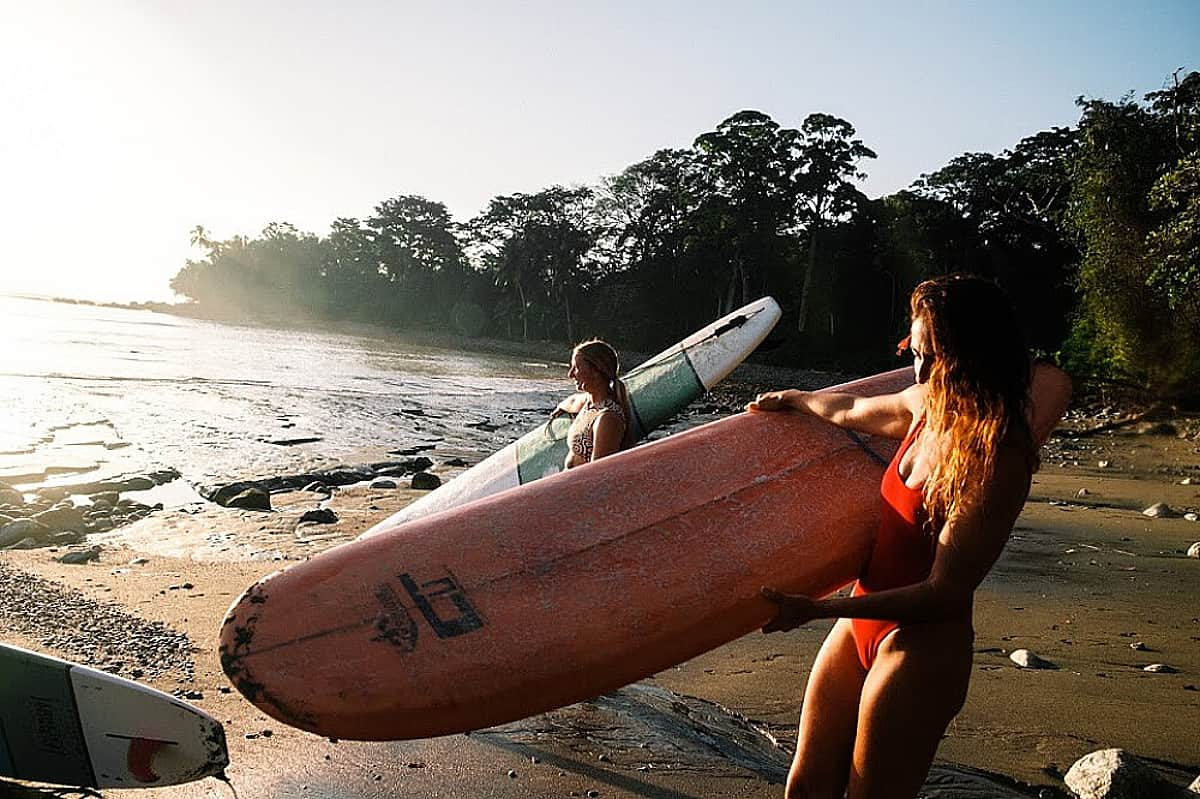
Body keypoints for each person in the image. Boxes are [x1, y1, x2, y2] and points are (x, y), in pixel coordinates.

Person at [746, 274, 1068, 799]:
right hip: (860, 624)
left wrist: (818, 609)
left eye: (935, 356)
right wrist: (798, 400)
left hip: (921, 646)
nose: (921, 369)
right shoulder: (926, 406)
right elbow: (851, 410)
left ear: (974, 354)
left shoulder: (999, 456)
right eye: (915, 352)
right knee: (804, 788)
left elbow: (945, 590)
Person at [551, 339, 636, 469]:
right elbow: (572, 401)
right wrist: (559, 408)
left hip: (581, 487)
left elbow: (596, 474)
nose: (570, 374)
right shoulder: (589, 403)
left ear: (596, 371)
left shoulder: (607, 419)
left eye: (576, 368)